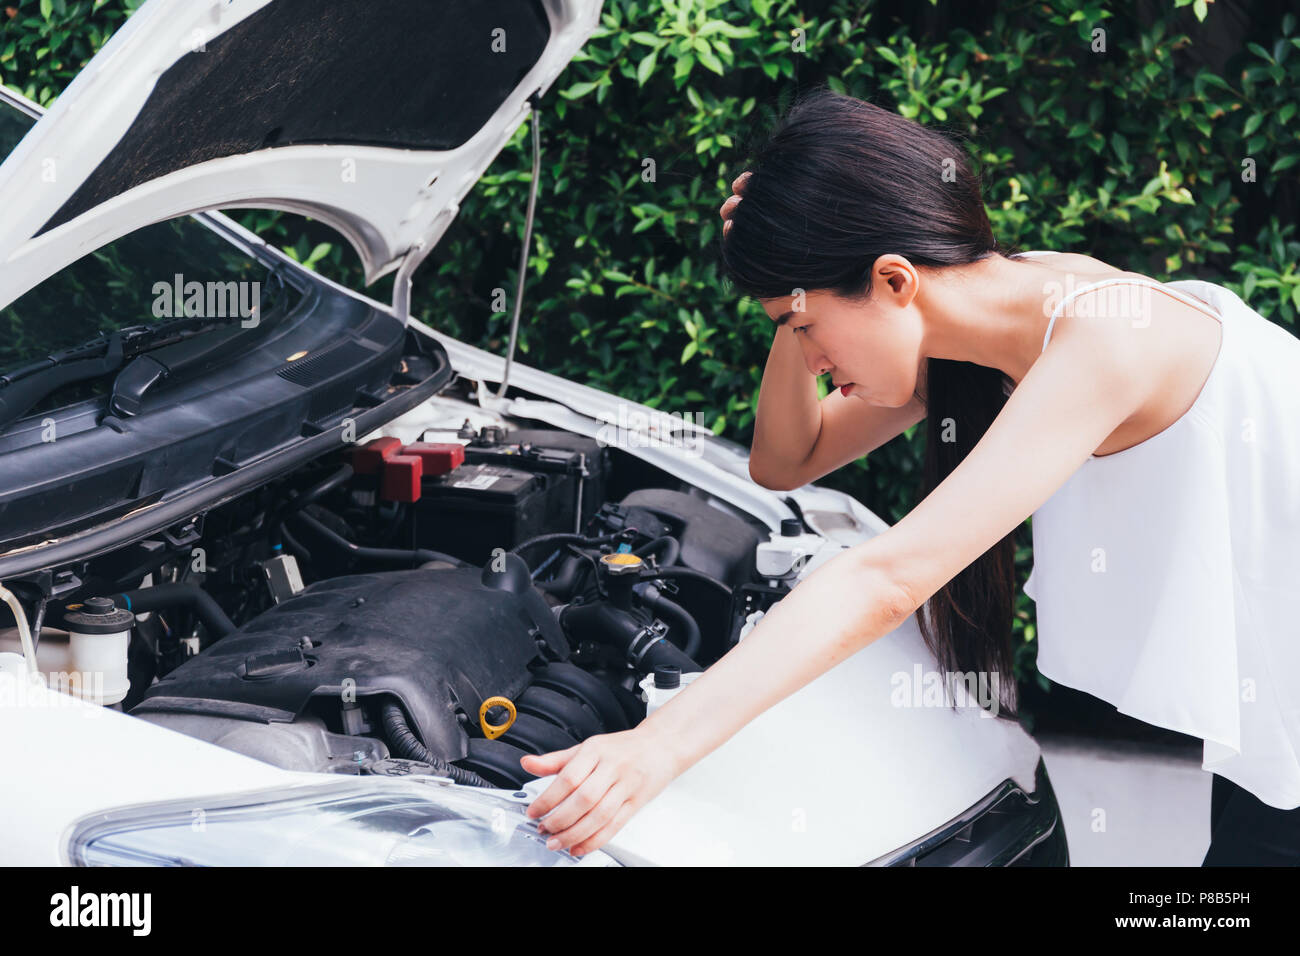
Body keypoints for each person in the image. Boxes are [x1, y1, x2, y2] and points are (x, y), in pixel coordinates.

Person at [519, 87, 1300, 865]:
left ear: (895, 281)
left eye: (806, 328)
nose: (814, 361)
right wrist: (796, 280)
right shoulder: (992, 327)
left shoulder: (1104, 340)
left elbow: (887, 579)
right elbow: (787, 460)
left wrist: (653, 749)